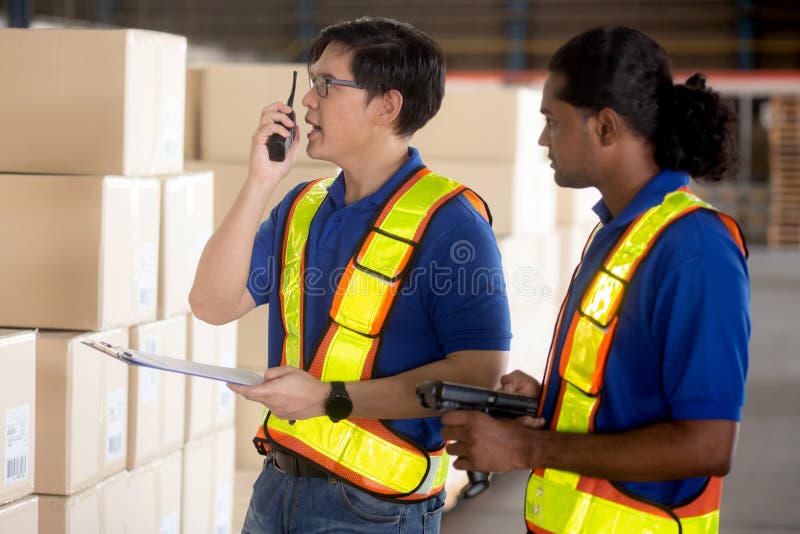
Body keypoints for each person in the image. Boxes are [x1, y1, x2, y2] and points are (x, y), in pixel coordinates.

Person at [189, 17, 512, 534]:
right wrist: (260, 182)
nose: (307, 102)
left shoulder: (452, 221)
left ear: (387, 105)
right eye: (309, 82)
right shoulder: (302, 205)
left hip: (377, 510)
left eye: (326, 85)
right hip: (276, 485)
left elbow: (479, 373)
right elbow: (211, 304)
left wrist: (329, 397)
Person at [441, 25, 749, 533]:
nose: (543, 139)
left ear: (605, 126)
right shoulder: (618, 233)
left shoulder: (695, 249)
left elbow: (707, 445)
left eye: (553, 121)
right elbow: (630, 394)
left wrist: (525, 447)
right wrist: (546, 405)